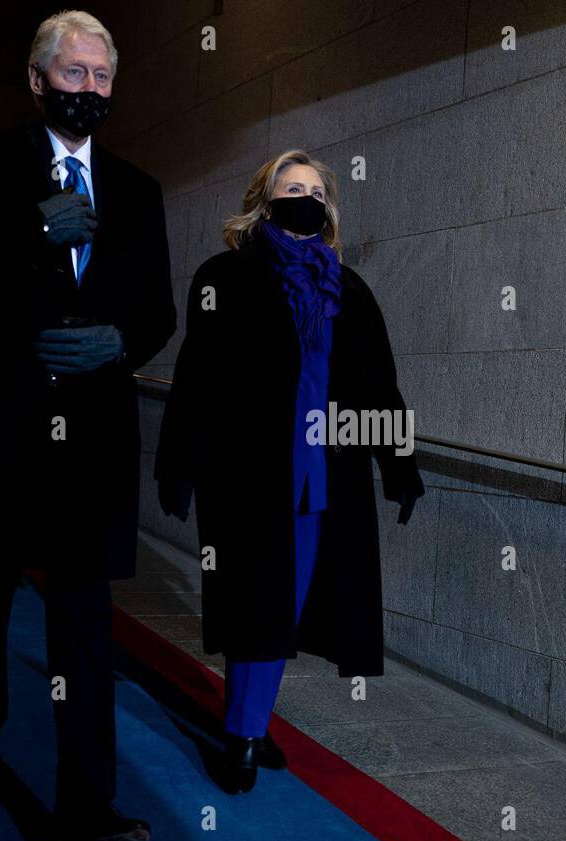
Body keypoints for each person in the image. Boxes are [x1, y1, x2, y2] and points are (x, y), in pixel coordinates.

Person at [0, 10, 176, 841]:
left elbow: (159, 309)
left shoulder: (138, 190)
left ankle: (84, 802)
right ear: (36, 81)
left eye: (103, 76)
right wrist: (31, 232)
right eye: (75, 74)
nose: (91, 90)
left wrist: (122, 343)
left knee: (83, 626)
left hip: (90, 443)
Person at [154, 150, 424, 794]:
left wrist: (399, 464)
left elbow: (377, 383)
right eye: (290, 186)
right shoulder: (227, 275)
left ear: (327, 207)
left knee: (289, 607)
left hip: (327, 476)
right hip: (250, 473)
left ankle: (249, 719)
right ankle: (245, 734)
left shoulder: (349, 287)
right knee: (259, 601)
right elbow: (197, 376)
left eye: (314, 190)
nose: (303, 196)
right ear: (264, 198)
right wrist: (180, 464)